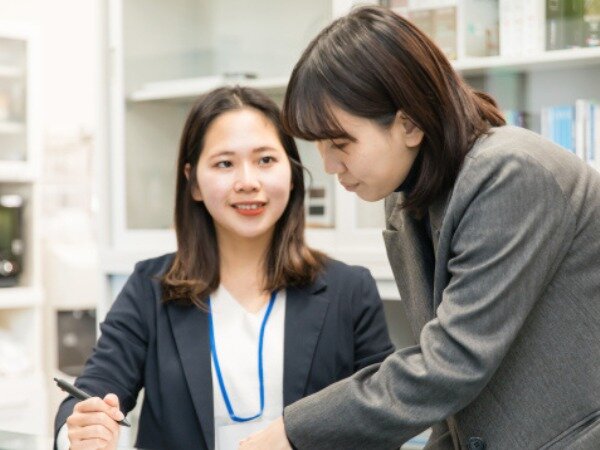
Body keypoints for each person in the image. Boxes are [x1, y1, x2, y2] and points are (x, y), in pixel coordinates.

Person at [239, 6, 600, 450]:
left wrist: (292, 431)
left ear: (409, 124)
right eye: (319, 146)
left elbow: (451, 363)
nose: (329, 166)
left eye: (340, 143)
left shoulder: (511, 173)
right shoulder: (406, 196)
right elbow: (450, 397)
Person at [53, 86, 394, 450]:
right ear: (194, 182)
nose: (248, 182)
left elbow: (383, 419)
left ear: (292, 172)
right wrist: (81, 429)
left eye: (265, 160)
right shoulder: (149, 288)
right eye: (224, 164)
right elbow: (92, 391)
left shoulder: (349, 290)